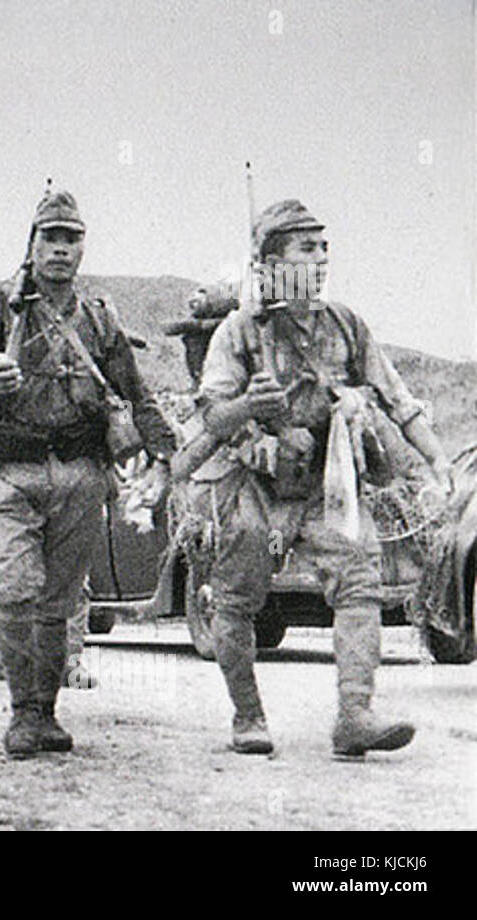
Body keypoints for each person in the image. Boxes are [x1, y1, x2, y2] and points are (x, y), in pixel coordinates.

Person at [192, 198, 449, 757]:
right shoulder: (240, 332)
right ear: (273, 261)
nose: (322, 257)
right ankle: (248, 718)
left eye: (324, 247)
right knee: (236, 603)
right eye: (307, 248)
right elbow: (212, 415)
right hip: (256, 487)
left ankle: (354, 715)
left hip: (325, 487)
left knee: (360, 584)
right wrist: (249, 408)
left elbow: (397, 400)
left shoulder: (346, 325)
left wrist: (437, 461)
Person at [0, 188, 175, 757]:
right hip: (12, 475)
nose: (60, 250)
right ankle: (22, 713)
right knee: (16, 589)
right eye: (50, 237)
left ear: (82, 249)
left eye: (71, 239)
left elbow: (135, 390)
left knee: (59, 600)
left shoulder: (99, 319)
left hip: (80, 474)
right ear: (31, 244)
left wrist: (168, 452)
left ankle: (45, 713)